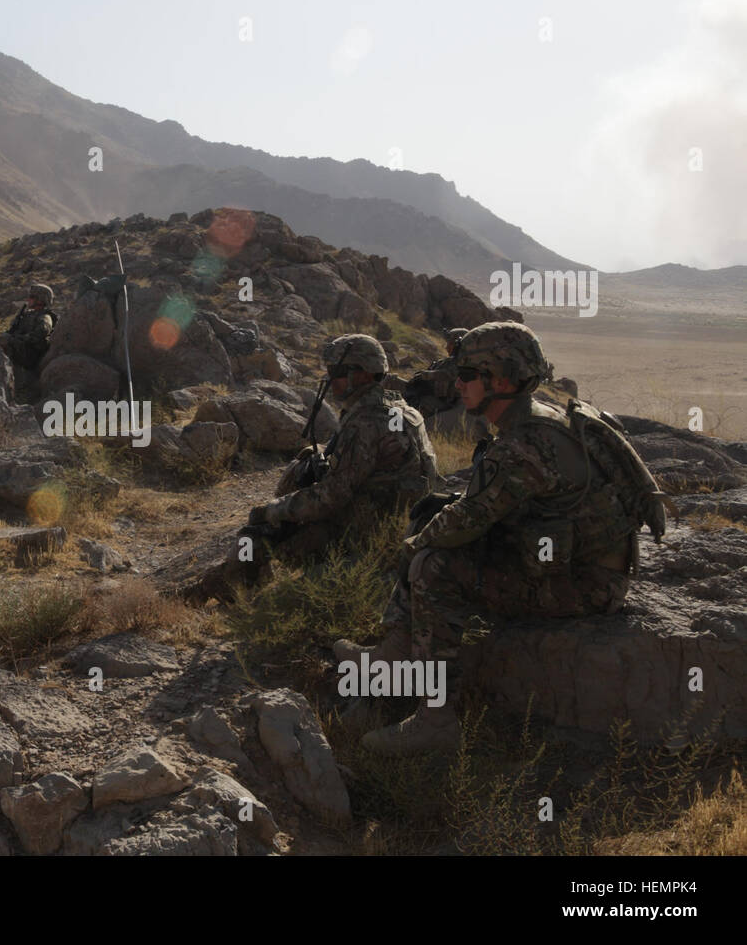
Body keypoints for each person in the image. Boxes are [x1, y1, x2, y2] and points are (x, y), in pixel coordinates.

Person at [346, 321, 667, 755]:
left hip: (585, 586)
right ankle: (390, 660)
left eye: (467, 375)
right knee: (433, 516)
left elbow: (467, 521)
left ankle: (435, 720)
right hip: (576, 566)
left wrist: (411, 548)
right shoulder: (537, 422)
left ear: (500, 381)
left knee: (433, 565)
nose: (457, 384)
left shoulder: (524, 445)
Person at [191, 334, 439, 601]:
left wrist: (275, 509)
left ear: (364, 374)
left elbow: (333, 495)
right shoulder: (401, 408)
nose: (331, 379)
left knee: (256, 535)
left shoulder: (366, 420)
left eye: (338, 372)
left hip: (359, 531)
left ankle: (217, 591)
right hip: (396, 523)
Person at [0, 283, 57, 371]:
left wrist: (15, 338)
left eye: (32, 297)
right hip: (18, 347)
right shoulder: (27, 315)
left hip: (30, 354)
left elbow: (39, 335)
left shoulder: (45, 317)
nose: (28, 299)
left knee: (4, 340)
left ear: (40, 300)